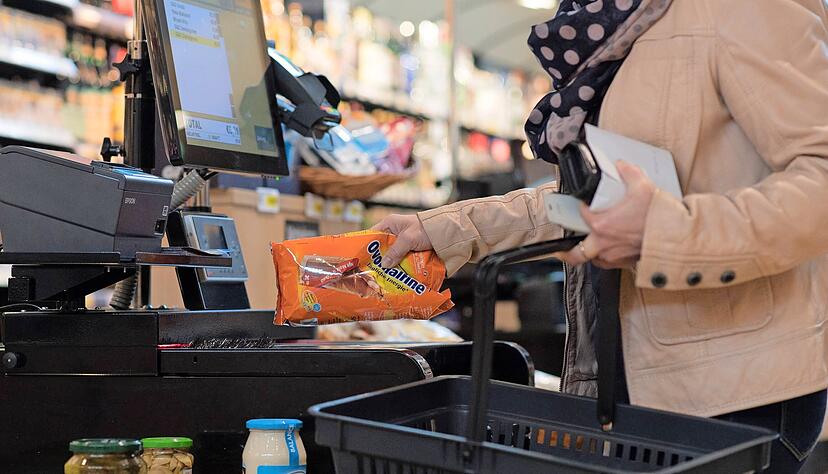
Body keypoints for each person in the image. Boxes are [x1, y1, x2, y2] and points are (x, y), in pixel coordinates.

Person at [373, 0, 828, 471]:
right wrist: (447, 229)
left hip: (735, 393)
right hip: (646, 383)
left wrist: (664, 233)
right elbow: (596, 202)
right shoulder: (620, 22)